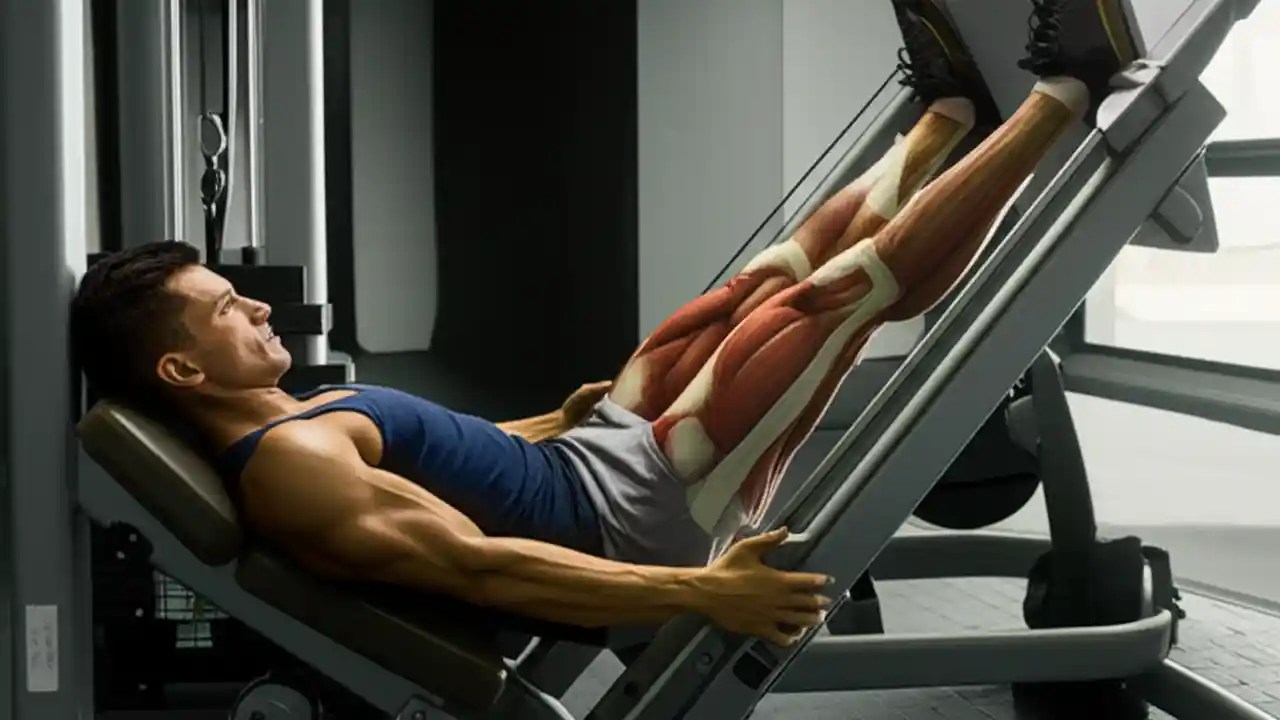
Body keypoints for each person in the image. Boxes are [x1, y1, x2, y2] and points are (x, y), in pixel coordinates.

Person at [70, 0, 1142, 647]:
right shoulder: (289, 468)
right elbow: (478, 568)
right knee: (834, 302)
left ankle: (943, 117)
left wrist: (548, 419)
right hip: (638, 516)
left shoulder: (289, 425)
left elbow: (448, 474)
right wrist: (703, 593)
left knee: (758, 283)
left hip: (592, 461)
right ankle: (1064, 93)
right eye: (224, 308)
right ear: (180, 366)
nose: (255, 302)